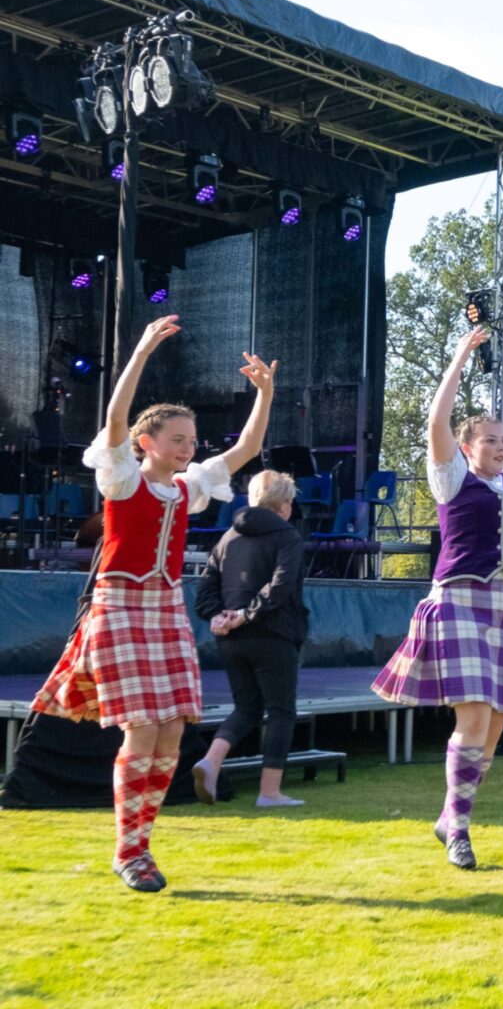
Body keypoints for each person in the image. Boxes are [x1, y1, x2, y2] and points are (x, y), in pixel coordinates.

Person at [31, 316, 277, 892]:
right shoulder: (121, 478)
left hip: (165, 608)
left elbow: (248, 448)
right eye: (178, 440)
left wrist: (265, 395)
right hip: (120, 605)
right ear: (148, 444)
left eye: (191, 441)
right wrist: (140, 350)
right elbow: (116, 420)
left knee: (170, 735)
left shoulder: (186, 488)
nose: (189, 448)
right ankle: (129, 851)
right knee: (142, 733)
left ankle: (141, 845)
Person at [371, 327, 503, 870]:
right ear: (466, 448)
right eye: (491, 441)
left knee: (498, 723)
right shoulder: (451, 478)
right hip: (458, 597)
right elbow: (436, 421)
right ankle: (458, 828)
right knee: (476, 716)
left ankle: (450, 815)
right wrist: (460, 356)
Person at [191, 470, 308, 808]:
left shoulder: (227, 537)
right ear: (285, 505)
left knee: (246, 707)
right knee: (281, 711)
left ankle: (211, 762)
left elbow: (205, 592)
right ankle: (269, 792)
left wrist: (220, 616)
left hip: (231, 639)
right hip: (274, 634)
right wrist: (246, 615)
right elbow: (281, 585)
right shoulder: (288, 536)